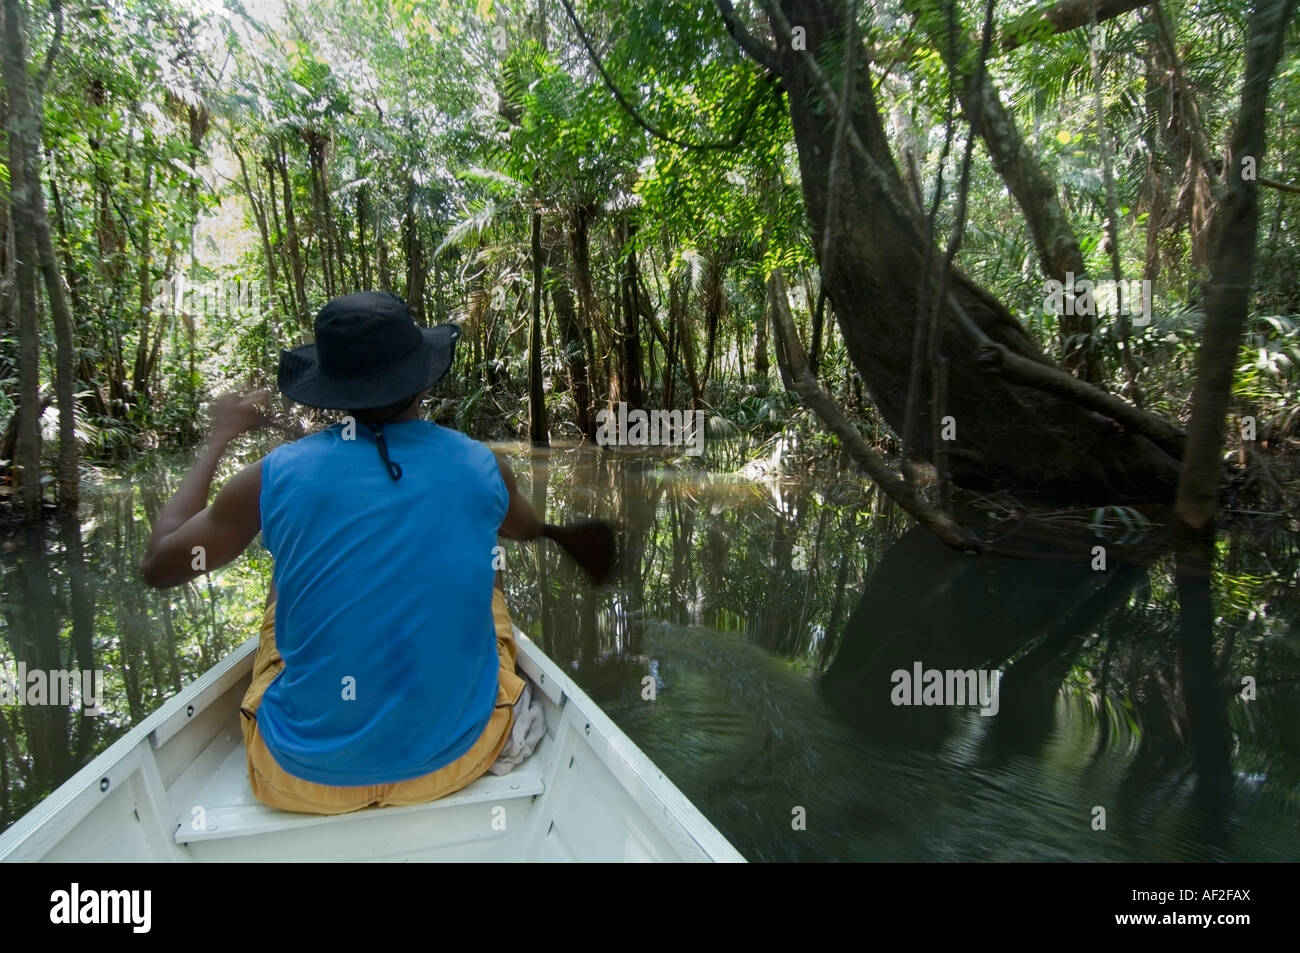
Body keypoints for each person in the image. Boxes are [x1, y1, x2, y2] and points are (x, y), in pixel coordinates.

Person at [140, 291, 550, 814]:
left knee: (284, 581)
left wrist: (218, 439)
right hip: (455, 759)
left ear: (328, 390)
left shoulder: (271, 476)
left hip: (297, 776)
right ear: (423, 380)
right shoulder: (481, 466)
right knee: (483, 545)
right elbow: (528, 527)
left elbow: (159, 567)